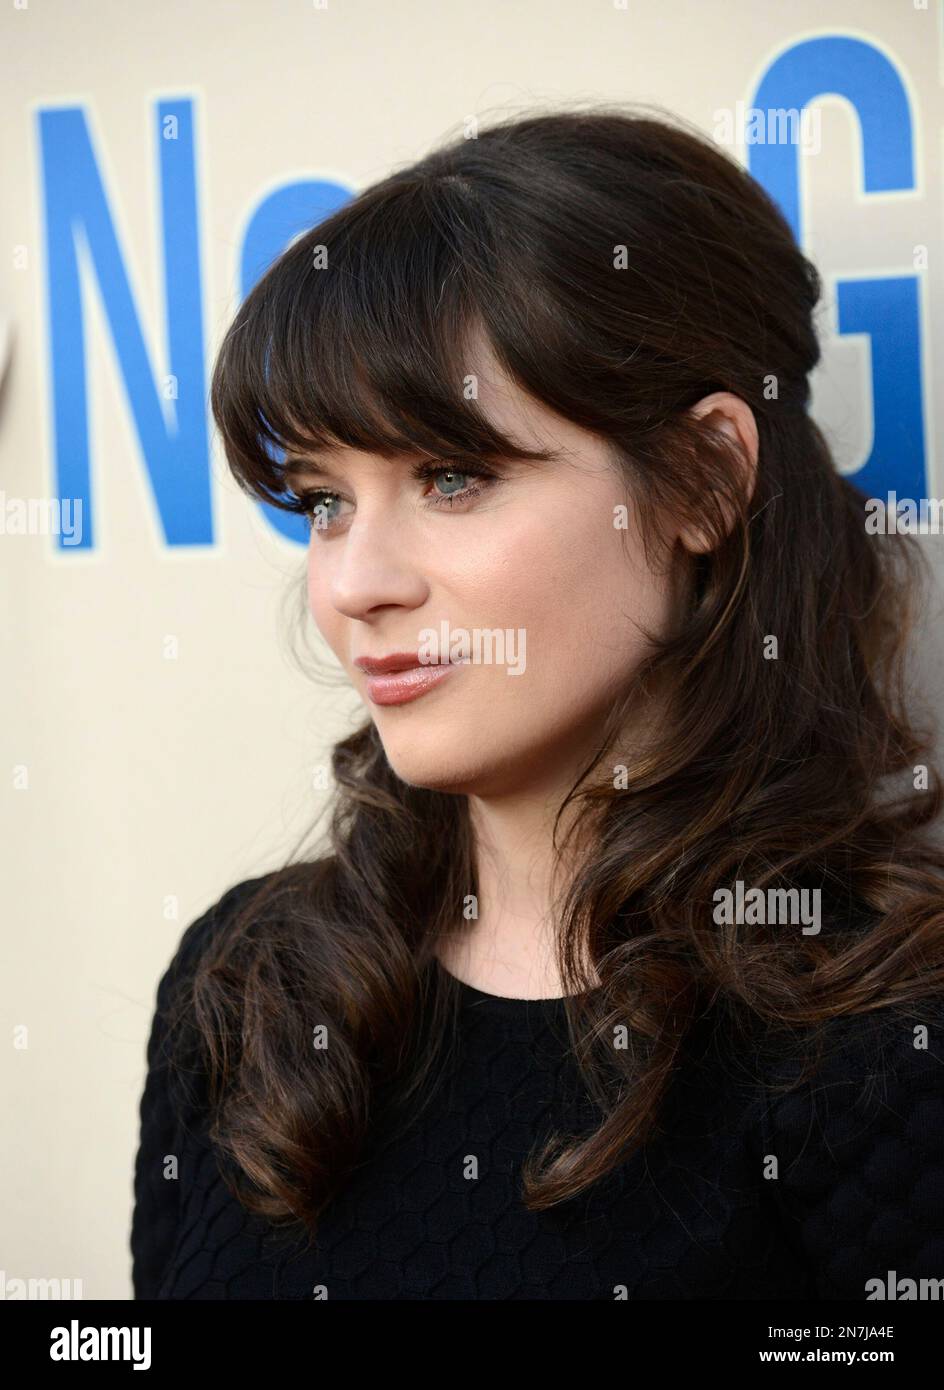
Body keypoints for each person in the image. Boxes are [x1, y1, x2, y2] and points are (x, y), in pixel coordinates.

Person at [131, 104, 944, 1300]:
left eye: (451, 477)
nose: (353, 585)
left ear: (704, 481)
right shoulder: (244, 982)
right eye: (322, 501)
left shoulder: (881, 1050)